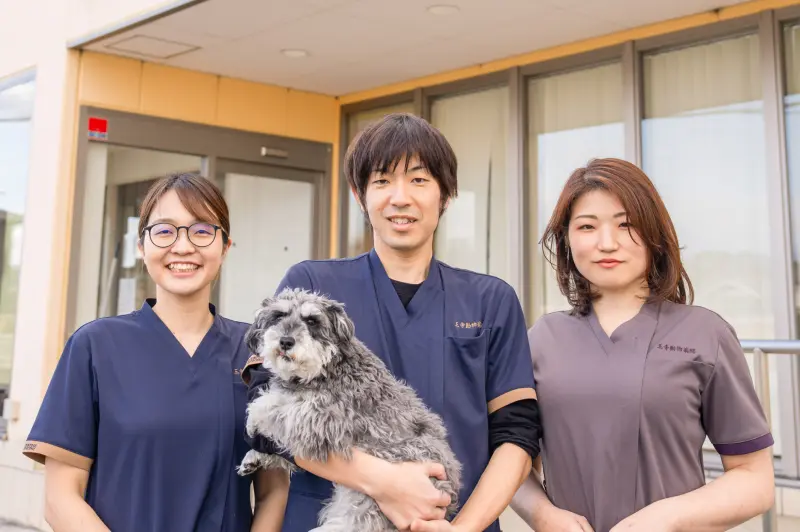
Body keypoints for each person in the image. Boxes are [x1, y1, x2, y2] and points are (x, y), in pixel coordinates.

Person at [241, 113, 543, 532]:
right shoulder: (310, 285)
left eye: (419, 180)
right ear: (360, 195)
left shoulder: (491, 300)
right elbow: (263, 413)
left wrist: (462, 529)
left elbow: (517, 433)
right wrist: (385, 482)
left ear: (446, 194)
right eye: (382, 181)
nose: (400, 198)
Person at [510, 158, 776, 532]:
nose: (607, 243)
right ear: (567, 240)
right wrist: (543, 516)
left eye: (626, 225)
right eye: (587, 226)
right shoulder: (542, 339)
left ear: (654, 233)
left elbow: (755, 479)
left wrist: (666, 518)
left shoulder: (705, 334)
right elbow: (514, 464)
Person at [22, 173, 289, 532]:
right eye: (164, 231)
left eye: (202, 230)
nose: (182, 247)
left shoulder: (256, 354)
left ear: (225, 247)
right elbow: (60, 498)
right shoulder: (96, 346)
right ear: (141, 246)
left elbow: (274, 491)